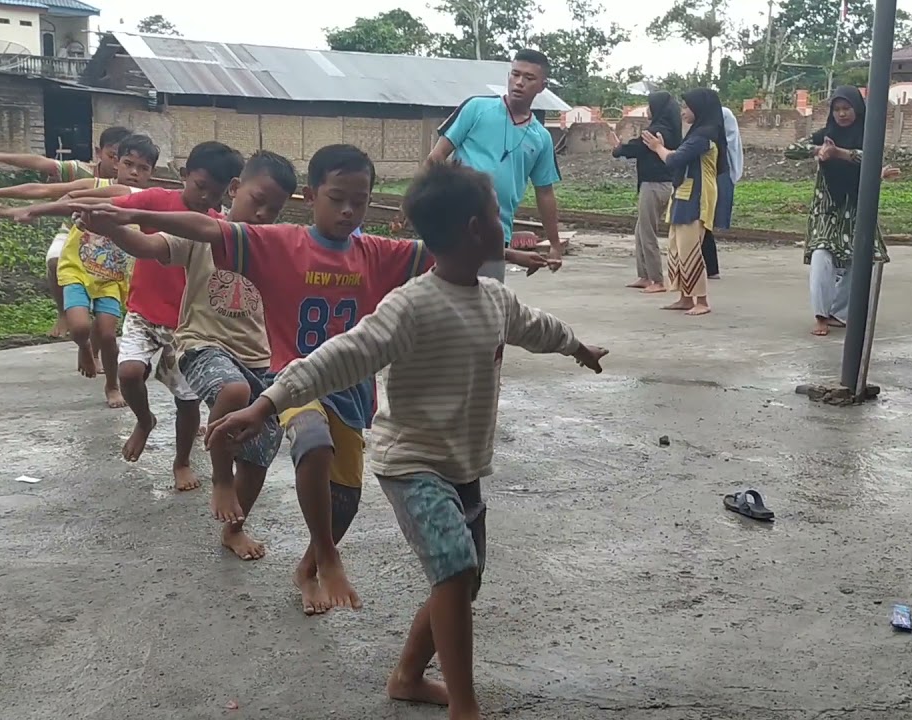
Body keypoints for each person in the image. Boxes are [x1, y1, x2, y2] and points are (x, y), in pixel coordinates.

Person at [203, 160, 608, 720]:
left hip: (465, 465)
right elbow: (339, 355)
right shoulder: (411, 305)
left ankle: (408, 677)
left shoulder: (494, 298)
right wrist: (266, 402)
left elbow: (538, 327)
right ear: (474, 229)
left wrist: (578, 347)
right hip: (414, 465)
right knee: (455, 570)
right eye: (496, 214)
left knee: (464, 581)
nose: (504, 224)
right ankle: (464, 706)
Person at [68, 144, 548, 615]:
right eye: (336, 198)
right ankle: (326, 554)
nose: (347, 211)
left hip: (350, 388)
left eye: (358, 202)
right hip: (292, 377)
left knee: (345, 502)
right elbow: (200, 229)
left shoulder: (377, 254)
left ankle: (308, 565)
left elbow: (450, 244)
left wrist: (507, 254)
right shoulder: (282, 241)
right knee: (311, 440)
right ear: (311, 195)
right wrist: (126, 219)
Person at [77, 150, 296, 559]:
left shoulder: (276, 245)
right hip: (203, 345)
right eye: (257, 200)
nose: (264, 214)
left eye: (275, 209)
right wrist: (111, 228)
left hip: (259, 359)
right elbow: (144, 244)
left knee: (258, 456)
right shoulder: (204, 233)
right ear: (233, 190)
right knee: (231, 391)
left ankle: (234, 530)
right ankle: (219, 479)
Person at [106, 141, 245, 493]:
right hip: (143, 311)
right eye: (199, 187)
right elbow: (115, 206)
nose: (204, 199)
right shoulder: (156, 201)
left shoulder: (216, 227)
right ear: (183, 176)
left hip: (185, 327)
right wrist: (86, 211)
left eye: (214, 194)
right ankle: (144, 421)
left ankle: (181, 461)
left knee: (187, 401)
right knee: (129, 372)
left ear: (228, 191)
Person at [0, 134, 160, 406]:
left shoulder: (147, 201)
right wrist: (32, 210)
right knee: (80, 328)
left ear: (151, 173)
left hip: (112, 278)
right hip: (77, 268)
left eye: (143, 169)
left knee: (107, 335)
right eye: (129, 164)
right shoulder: (96, 185)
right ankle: (83, 347)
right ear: (116, 164)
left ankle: (112, 385)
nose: (135, 173)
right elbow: (62, 197)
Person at [0, 127, 131, 338]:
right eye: (112, 157)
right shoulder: (84, 175)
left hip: (117, 240)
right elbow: (41, 173)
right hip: (75, 230)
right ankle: (63, 313)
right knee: (54, 260)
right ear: (99, 152)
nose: (118, 166)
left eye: (124, 160)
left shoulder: (138, 186)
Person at [425, 49, 564, 281]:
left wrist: (555, 244)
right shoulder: (476, 109)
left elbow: (545, 192)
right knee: (446, 297)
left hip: (498, 231)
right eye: (515, 75)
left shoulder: (541, 138)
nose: (519, 83)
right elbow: (436, 157)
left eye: (529, 78)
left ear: (542, 85)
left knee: (488, 303)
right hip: (454, 220)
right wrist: (422, 202)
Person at [800, 86, 898, 336]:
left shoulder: (869, 136)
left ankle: (838, 313)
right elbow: (791, 149)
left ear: (858, 110)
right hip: (828, 209)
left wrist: (838, 153)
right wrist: (818, 150)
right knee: (822, 257)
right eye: (837, 109)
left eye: (847, 109)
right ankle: (820, 315)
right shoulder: (823, 135)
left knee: (859, 261)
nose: (842, 114)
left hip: (856, 210)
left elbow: (868, 158)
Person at [639, 88, 725, 316]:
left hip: (698, 196)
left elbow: (675, 159)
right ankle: (685, 297)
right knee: (677, 247)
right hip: (685, 192)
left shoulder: (705, 134)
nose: (683, 111)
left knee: (690, 247)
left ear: (699, 108)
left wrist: (658, 148)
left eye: (687, 107)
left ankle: (702, 300)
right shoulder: (697, 133)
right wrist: (661, 148)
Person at [608, 91, 681, 293]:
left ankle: (657, 280)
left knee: (647, 233)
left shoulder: (657, 130)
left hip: (654, 185)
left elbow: (636, 148)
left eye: (649, 106)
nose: (647, 110)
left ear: (656, 108)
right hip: (659, 185)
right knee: (640, 230)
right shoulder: (671, 129)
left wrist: (617, 148)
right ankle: (644, 275)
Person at [703, 106, 744, 280]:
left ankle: (709, 269)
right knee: (705, 225)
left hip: (714, 179)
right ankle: (710, 269)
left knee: (704, 223)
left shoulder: (711, 141)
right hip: (713, 178)